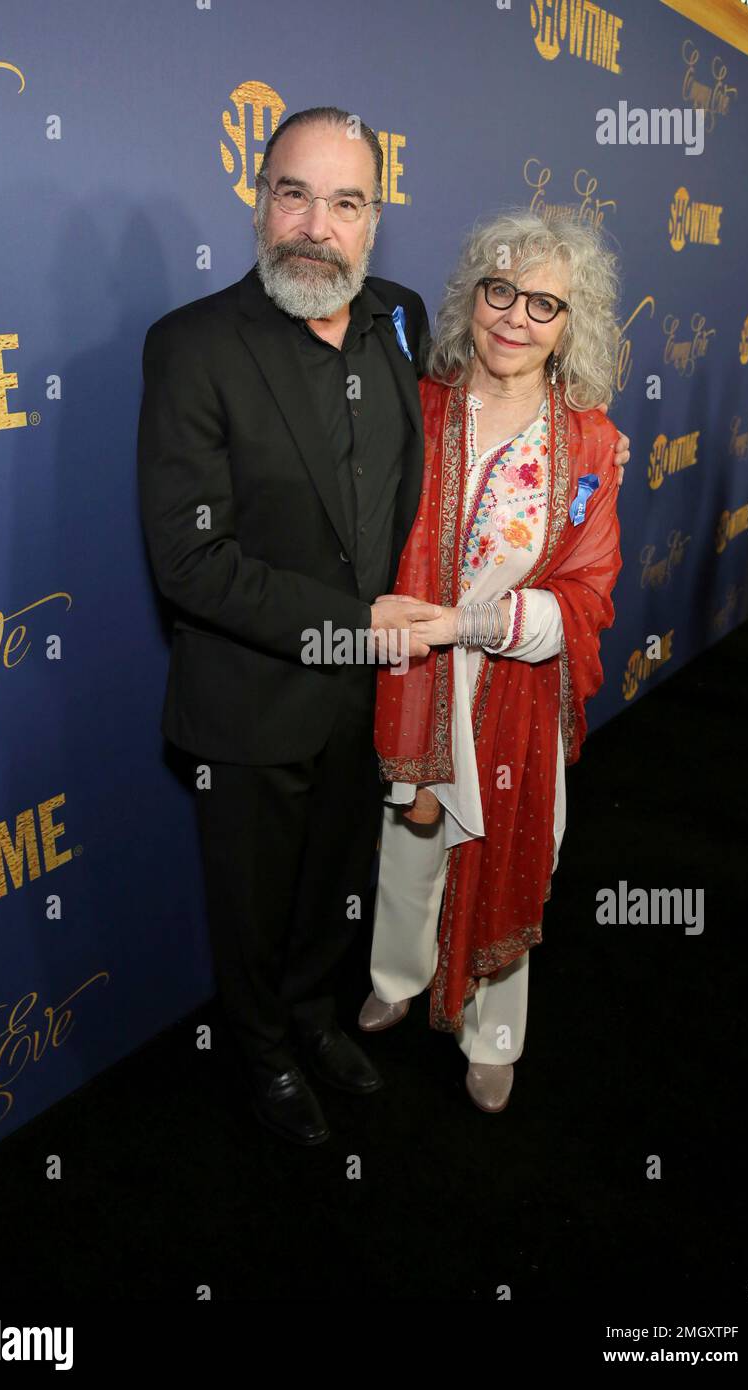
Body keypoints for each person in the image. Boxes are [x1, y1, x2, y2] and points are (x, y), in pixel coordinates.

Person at [138, 108, 630, 1147]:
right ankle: (263, 1056)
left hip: (369, 706)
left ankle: (315, 1023)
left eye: (345, 202)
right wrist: (359, 625)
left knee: (330, 895)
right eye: (294, 194)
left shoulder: (397, 322)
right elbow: (188, 564)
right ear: (258, 198)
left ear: (373, 221)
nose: (317, 225)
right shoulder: (191, 346)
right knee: (254, 911)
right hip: (252, 702)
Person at [359, 209, 624, 1116]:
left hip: (514, 679)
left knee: (509, 846)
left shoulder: (589, 440)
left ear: (570, 322)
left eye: (544, 303)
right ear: (472, 297)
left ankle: (495, 1030)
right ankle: (396, 974)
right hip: (414, 675)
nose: (515, 317)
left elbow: (591, 592)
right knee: (412, 833)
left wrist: (483, 623)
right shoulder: (415, 404)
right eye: (500, 291)